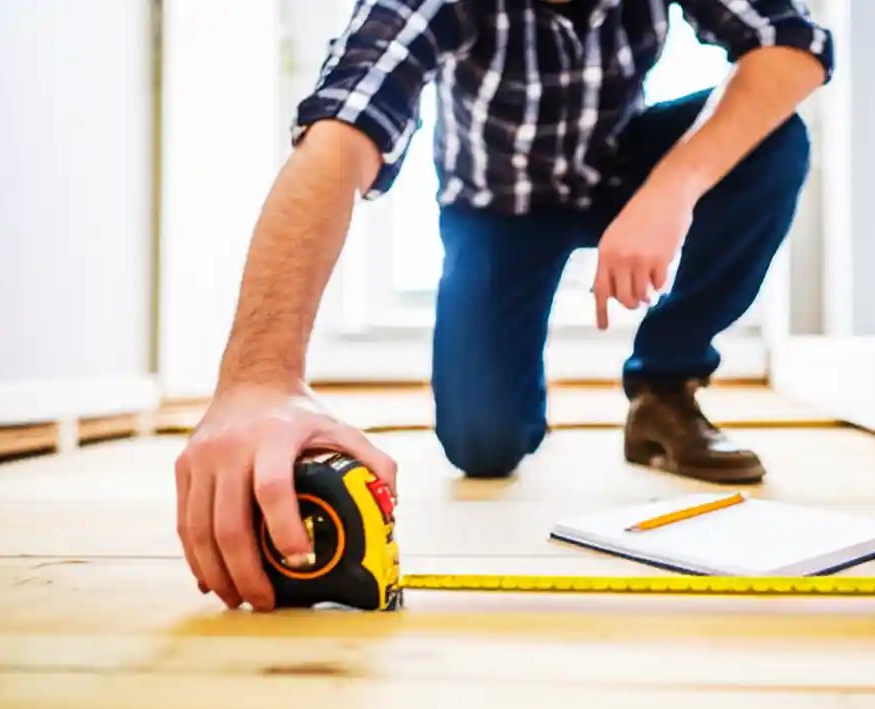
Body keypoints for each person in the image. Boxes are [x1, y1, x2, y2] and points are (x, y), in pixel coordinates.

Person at [175, 0, 833, 611]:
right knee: (484, 444)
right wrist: (259, 376)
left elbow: (792, 44)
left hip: (620, 168)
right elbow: (339, 134)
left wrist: (673, 188)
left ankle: (667, 386)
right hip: (497, 208)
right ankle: (514, 399)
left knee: (775, 145)